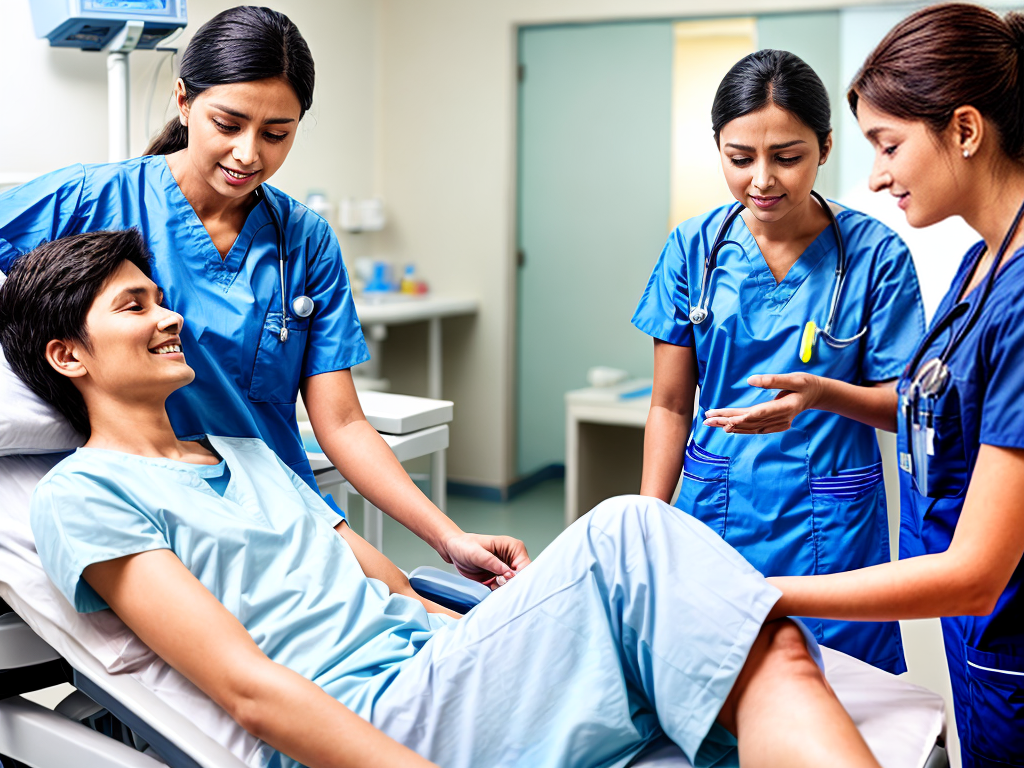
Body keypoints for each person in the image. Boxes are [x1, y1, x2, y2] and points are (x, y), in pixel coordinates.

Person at [0, 229, 884, 768]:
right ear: (67, 356)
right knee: (632, 530)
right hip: (374, 718)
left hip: (440, 672)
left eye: (161, 299)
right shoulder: (86, 494)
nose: (170, 318)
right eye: (134, 307)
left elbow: (391, 587)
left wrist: (523, 629)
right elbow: (248, 690)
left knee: (763, 648)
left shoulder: (248, 455)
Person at [0, 6, 529, 596]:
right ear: (184, 101)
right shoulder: (93, 199)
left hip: (282, 506)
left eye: (277, 134)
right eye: (227, 124)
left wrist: (448, 538)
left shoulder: (304, 240)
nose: (249, 154)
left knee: (410, 612)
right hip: (163, 510)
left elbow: (342, 421)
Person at [704, 6, 1024, 766]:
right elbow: (937, 407)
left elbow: (977, 575)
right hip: (979, 644)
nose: (877, 176)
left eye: (888, 144)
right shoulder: (983, 264)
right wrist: (824, 393)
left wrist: (761, 595)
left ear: (966, 130)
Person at [632, 49, 924, 673]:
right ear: (719, 148)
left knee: (845, 690)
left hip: (832, 521)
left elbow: (902, 409)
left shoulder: (877, 256)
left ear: (824, 147)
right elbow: (670, 405)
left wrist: (822, 393)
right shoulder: (692, 249)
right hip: (715, 508)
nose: (762, 180)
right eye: (740, 159)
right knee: (710, 685)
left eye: (787, 157)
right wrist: (650, 519)